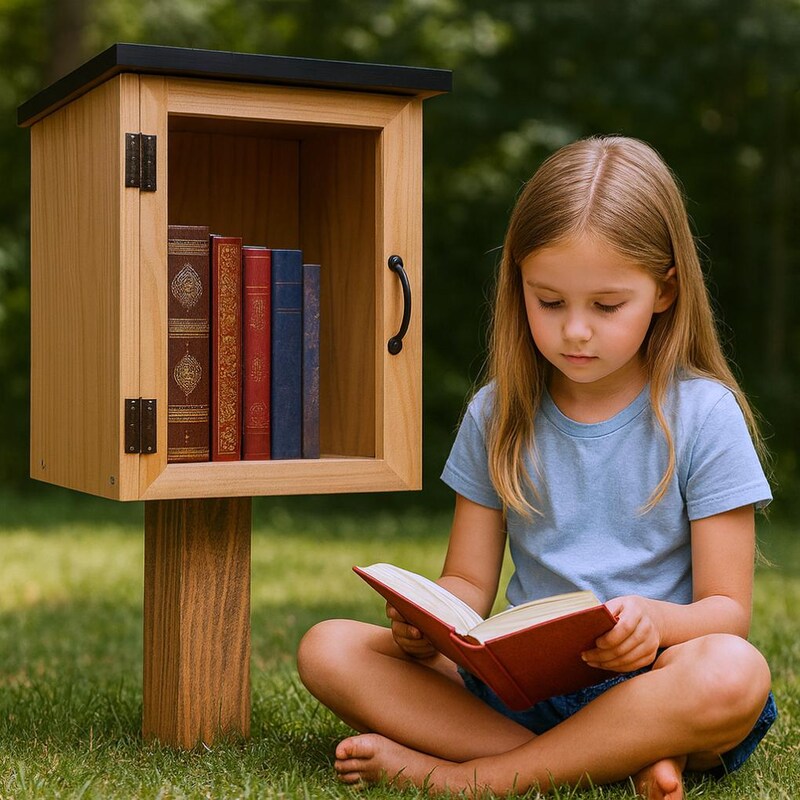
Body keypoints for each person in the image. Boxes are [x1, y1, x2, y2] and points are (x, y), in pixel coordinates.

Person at [296, 135, 777, 800]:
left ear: (665, 290)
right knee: (329, 647)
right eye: (549, 302)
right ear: (518, 282)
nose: (575, 330)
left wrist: (656, 623)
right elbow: (468, 583)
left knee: (733, 670)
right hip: (522, 692)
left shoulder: (703, 414)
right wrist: (424, 626)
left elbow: (727, 613)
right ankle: (619, 758)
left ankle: (471, 780)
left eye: (606, 306)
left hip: (656, 681)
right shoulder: (498, 413)